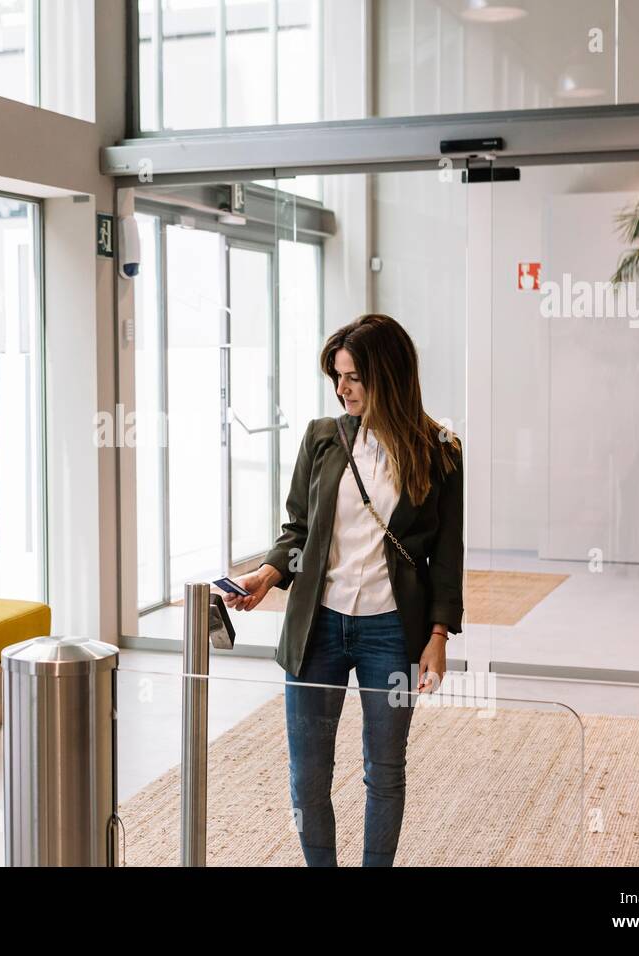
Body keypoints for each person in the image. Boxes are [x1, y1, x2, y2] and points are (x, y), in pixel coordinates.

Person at [224, 313, 464, 867]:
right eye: (337, 375)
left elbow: (446, 555)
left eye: (353, 376)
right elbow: (299, 529)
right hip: (319, 626)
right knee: (308, 774)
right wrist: (267, 573)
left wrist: (437, 636)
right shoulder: (322, 438)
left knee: (384, 769)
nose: (342, 387)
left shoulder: (442, 450)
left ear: (389, 375)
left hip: (392, 632)